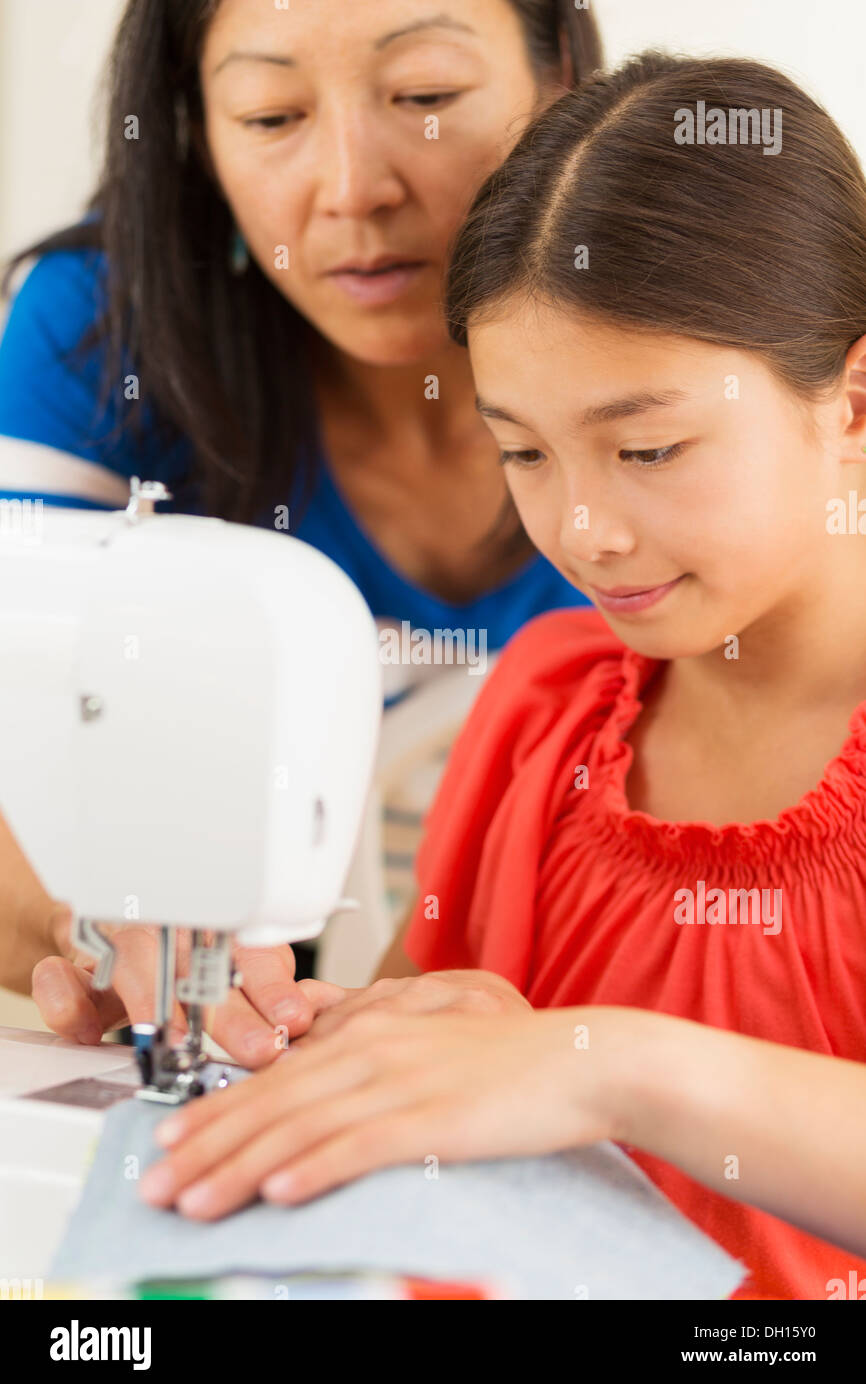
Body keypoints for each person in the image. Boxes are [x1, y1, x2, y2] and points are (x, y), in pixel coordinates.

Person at [139, 51, 866, 1301]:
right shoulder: (545, 698)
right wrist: (330, 1034)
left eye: (647, 446)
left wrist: (600, 1062)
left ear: (852, 402)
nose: (581, 529)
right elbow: (410, 1068)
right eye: (520, 451)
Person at [0, 0, 601, 1057]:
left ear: (557, 78)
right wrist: (72, 924)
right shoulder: (102, 342)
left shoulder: (684, 360)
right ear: (197, 130)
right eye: (273, 116)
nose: (351, 190)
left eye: (423, 98)